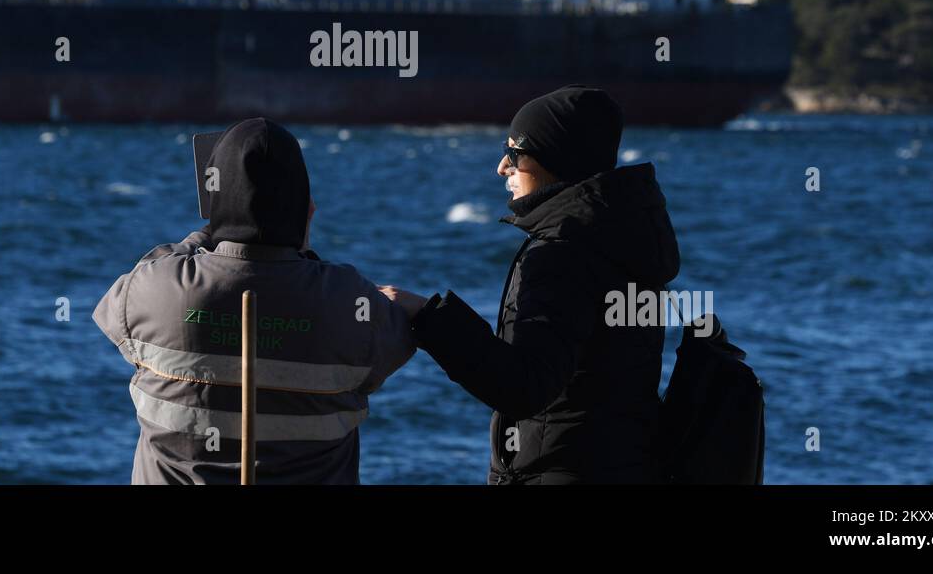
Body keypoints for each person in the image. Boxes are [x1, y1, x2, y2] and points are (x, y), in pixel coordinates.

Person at [379, 85, 681, 483]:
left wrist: (426, 315)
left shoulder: (562, 255)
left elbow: (525, 387)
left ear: (557, 158)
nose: (502, 168)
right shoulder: (626, 237)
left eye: (516, 154)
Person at [93, 117, 415, 484]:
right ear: (306, 208)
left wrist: (207, 235)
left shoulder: (152, 287)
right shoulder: (351, 300)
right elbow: (398, 340)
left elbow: (116, 306)